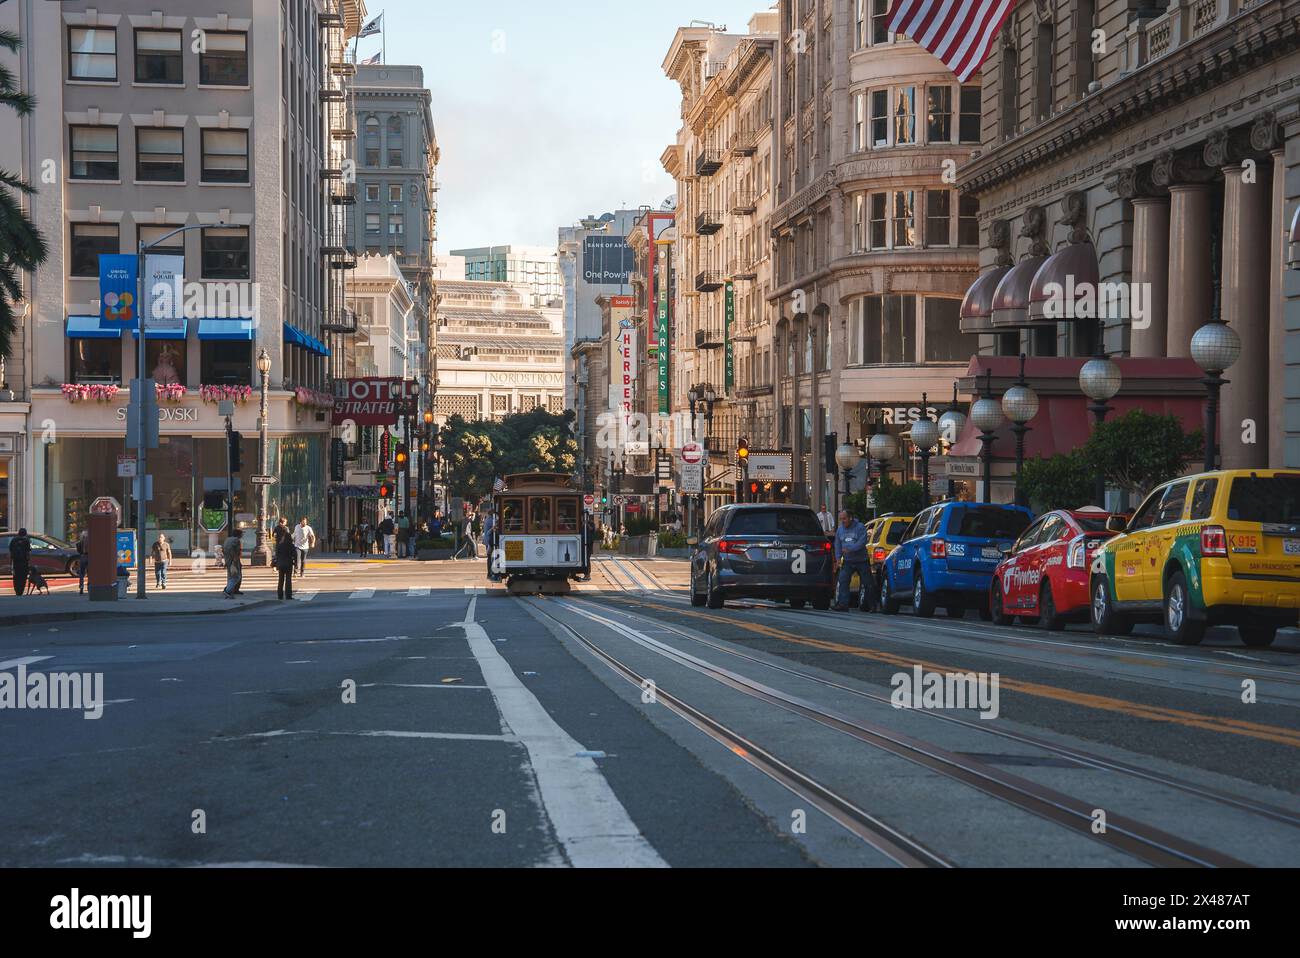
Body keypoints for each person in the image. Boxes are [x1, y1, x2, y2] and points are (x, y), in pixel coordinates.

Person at [833, 510, 871, 612]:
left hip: (862, 560)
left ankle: (869, 605)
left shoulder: (860, 527)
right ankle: (843, 604)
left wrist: (851, 549)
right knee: (843, 580)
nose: (842, 521)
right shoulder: (840, 530)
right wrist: (837, 558)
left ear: (850, 518)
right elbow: (837, 544)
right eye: (841, 519)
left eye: (844, 519)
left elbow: (862, 542)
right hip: (848, 561)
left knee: (867, 583)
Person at [274, 524, 296, 600]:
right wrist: (295, 563)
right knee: (288, 580)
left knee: (281, 580)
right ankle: (288, 595)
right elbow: (295, 555)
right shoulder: (291, 545)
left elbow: (277, 554)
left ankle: (280, 595)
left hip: (281, 564)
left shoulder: (280, 545)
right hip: (289, 563)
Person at [9, 528, 32, 596]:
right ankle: (21, 590)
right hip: (24, 561)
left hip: (16, 561)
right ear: (25, 533)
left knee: (16, 577)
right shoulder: (26, 540)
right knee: (23, 576)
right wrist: (29, 561)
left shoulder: (13, 540)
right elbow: (28, 551)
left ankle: (16, 590)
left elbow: (11, 550)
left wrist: (11, 561)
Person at [222, 530, 243, 598]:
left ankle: (230, 590)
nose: (242, 535)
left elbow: (223, 550)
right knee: (236, 577)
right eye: (241, 534)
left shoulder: (227, 540)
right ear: (238, 535)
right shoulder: (237, 540)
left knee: (230, 576)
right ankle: (227, 590)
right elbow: (237, 552)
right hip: (234, 560)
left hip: (227, 560)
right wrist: (235, 560)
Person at [482, 510, 497, 580]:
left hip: (487, 541)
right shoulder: (490, 520)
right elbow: (488, 532)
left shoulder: (487, 519)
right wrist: (493, 529)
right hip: (489, 541)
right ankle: (490, 573)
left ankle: (490, 573)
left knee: (490, 558)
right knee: (490, 557)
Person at [76, 530, 90, 595]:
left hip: (83, 557)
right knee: (90, 573)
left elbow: (78, 550)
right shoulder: (90, 541)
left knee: (81, 573)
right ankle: (89, 586)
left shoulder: (80, 542)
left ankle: (81, 586)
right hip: (89, 557)